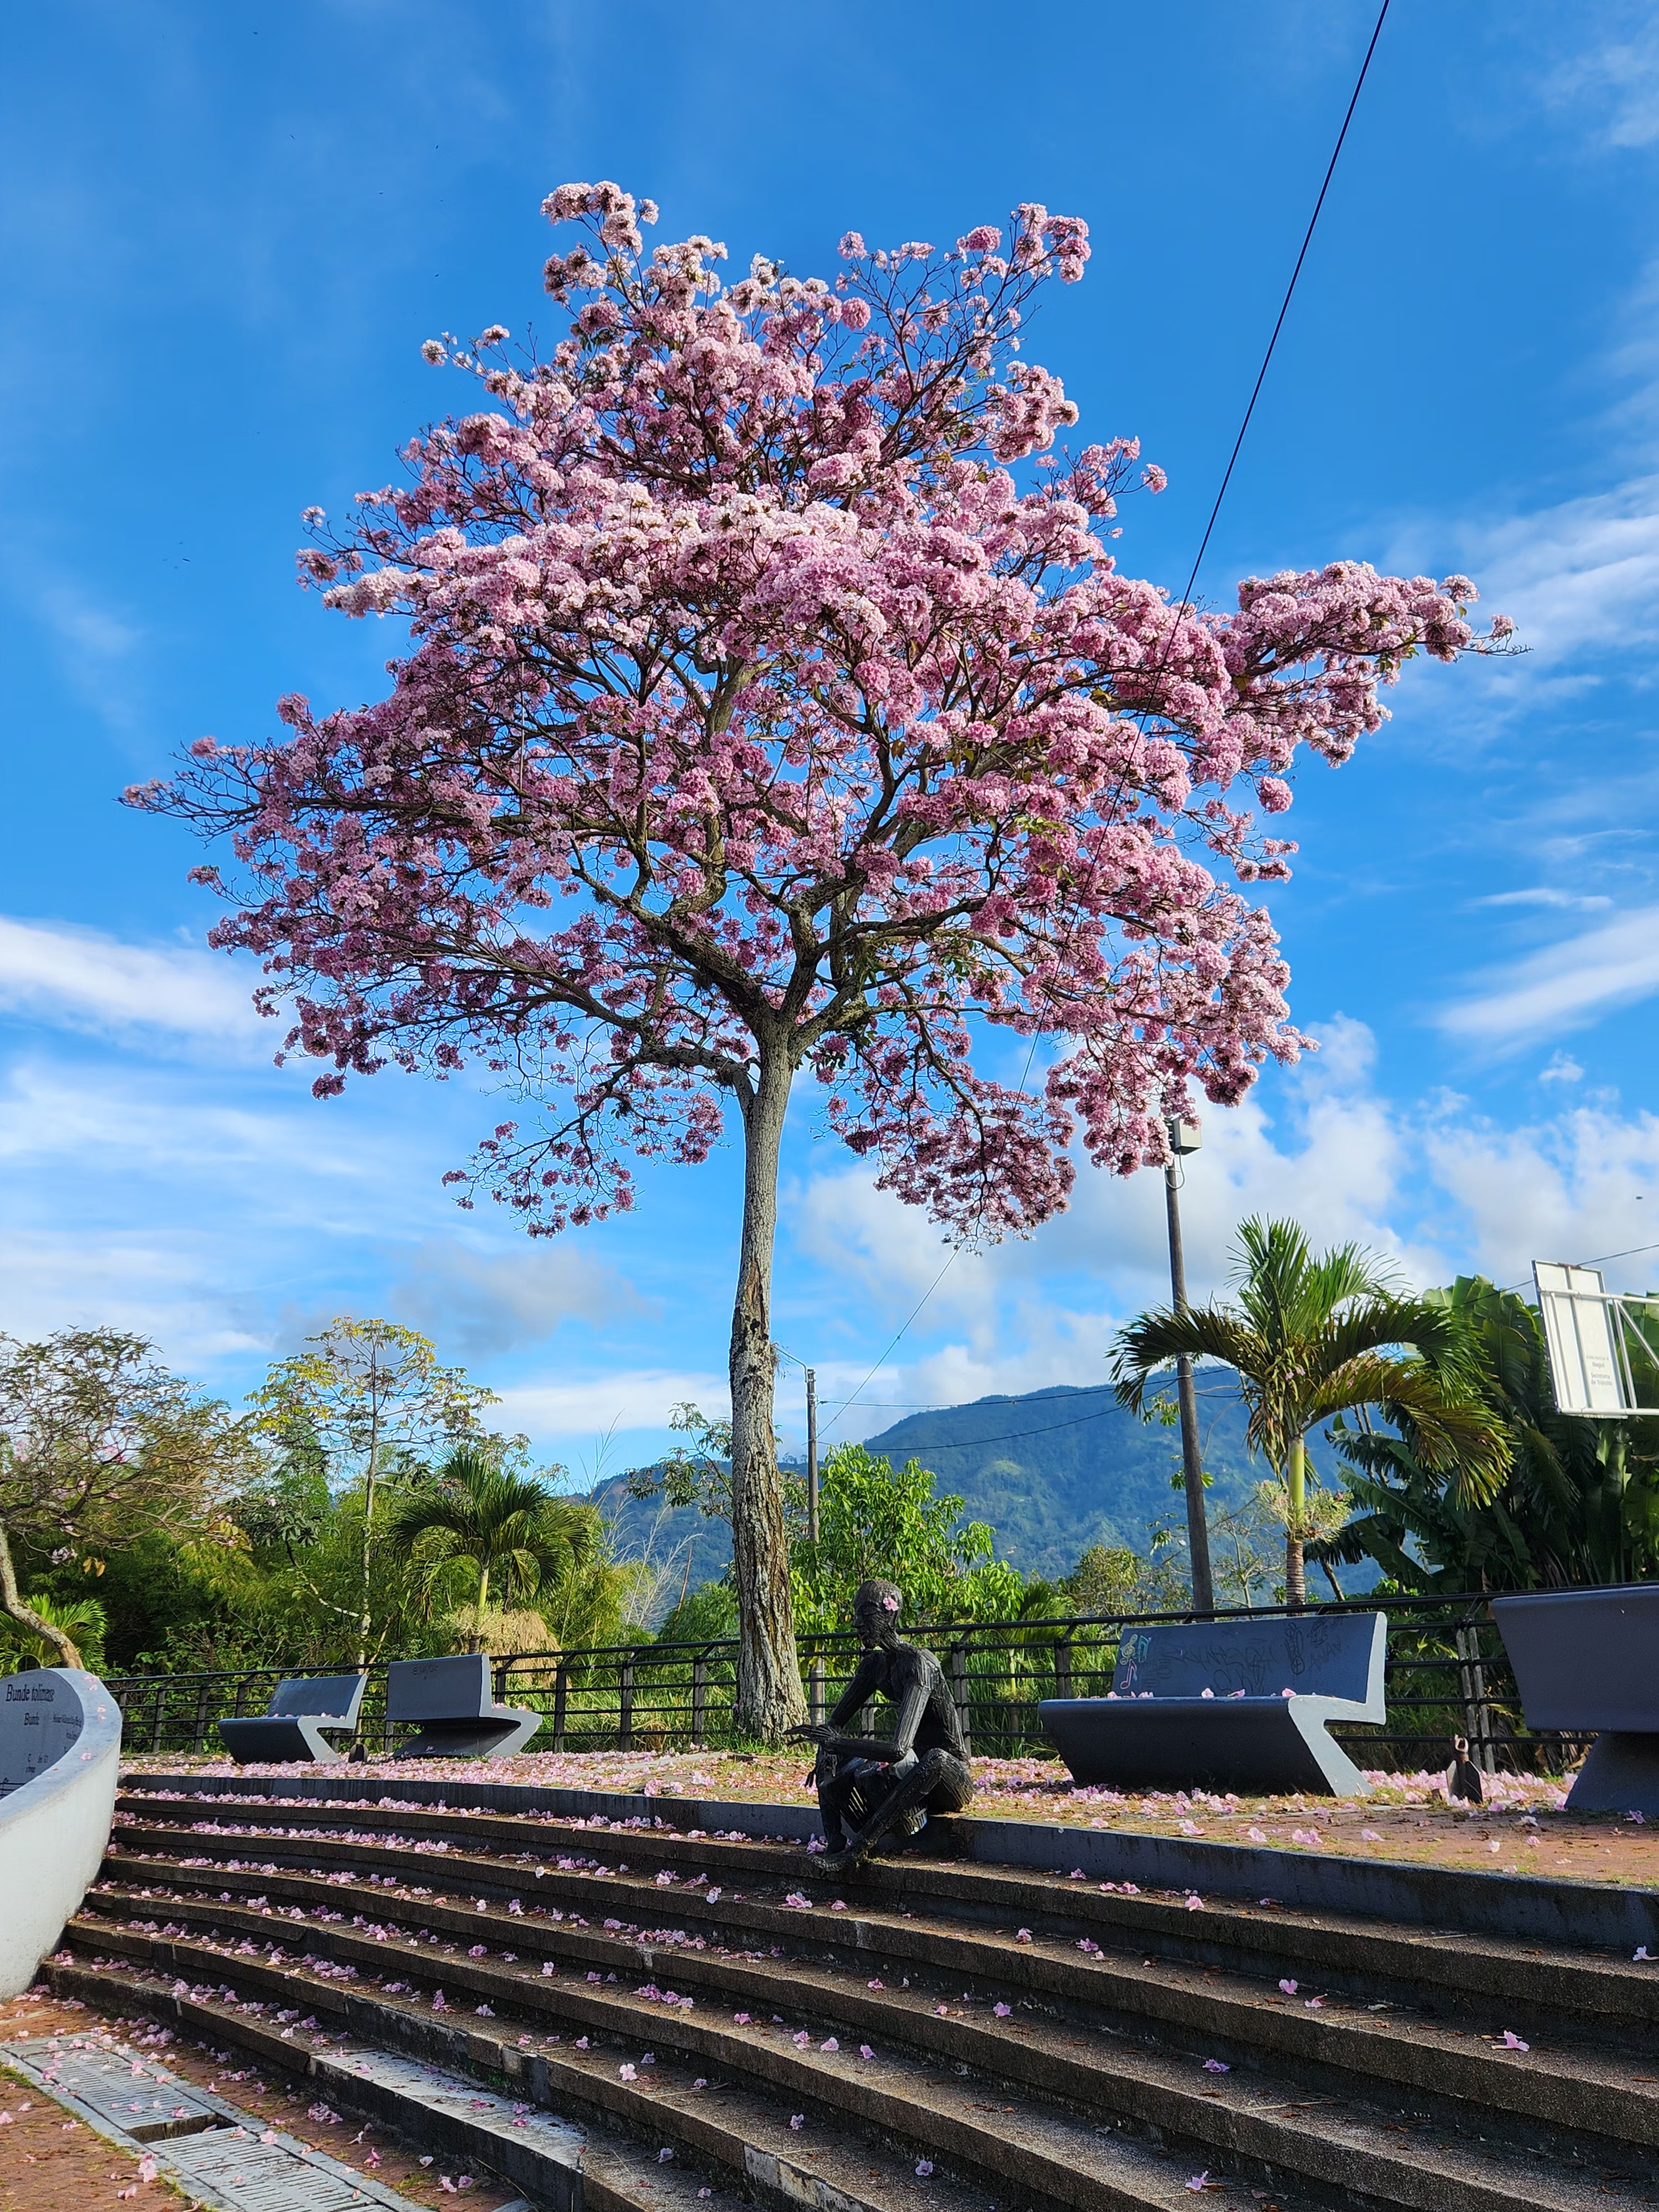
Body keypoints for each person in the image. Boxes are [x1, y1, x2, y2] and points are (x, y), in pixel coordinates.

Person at [789, 1578, 973, 1875]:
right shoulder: (874, 1665)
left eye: (866, 1613)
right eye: (856, 1615)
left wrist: (837, 1743)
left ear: (890, 1614)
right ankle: (835, 1840)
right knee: (828, 1741)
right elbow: (834, 1725)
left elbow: (899, 1749)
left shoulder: (920, 1664)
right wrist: (826, 1744)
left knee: (936, 1758)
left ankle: (859, 1849)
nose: (858, 1623)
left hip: (948, 1778)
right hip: (913, 1770)